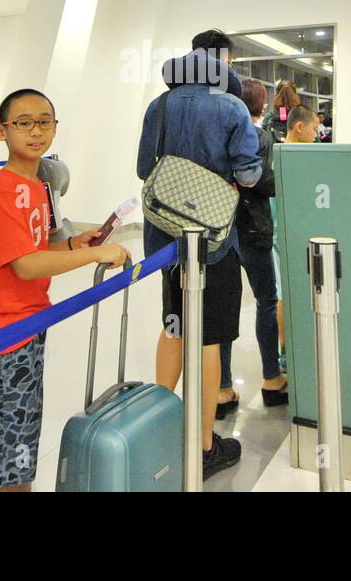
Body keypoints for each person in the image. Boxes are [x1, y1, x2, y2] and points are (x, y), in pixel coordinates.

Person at [0, 89, 129, 492]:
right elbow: (25, 265)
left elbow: (33, 250)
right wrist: (94, 257)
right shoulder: (2, 187)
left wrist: (75, 245)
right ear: (1, 131)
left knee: (18, 458)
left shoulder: (37, 184)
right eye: (23, 123)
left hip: (29, 327)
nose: (35, 131)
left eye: (45, 121)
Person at [137, 28, 261, 479]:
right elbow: (248, 175)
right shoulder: (232, 106)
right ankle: (205, 446)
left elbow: (142, 169)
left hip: (165, 239)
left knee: (173, 327)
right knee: (209, 338)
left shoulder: (159, 106)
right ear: (221, 65)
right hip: (213, 240)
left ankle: (156, 430)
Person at [216, 78, 286, 419]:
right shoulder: (263, 137)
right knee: (266, 301)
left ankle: (222, 387)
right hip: (254, 230)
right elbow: (269, 183)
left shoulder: (220, 135)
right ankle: (272, 379)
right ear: (261, 105)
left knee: (225, 309)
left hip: (223, 230)